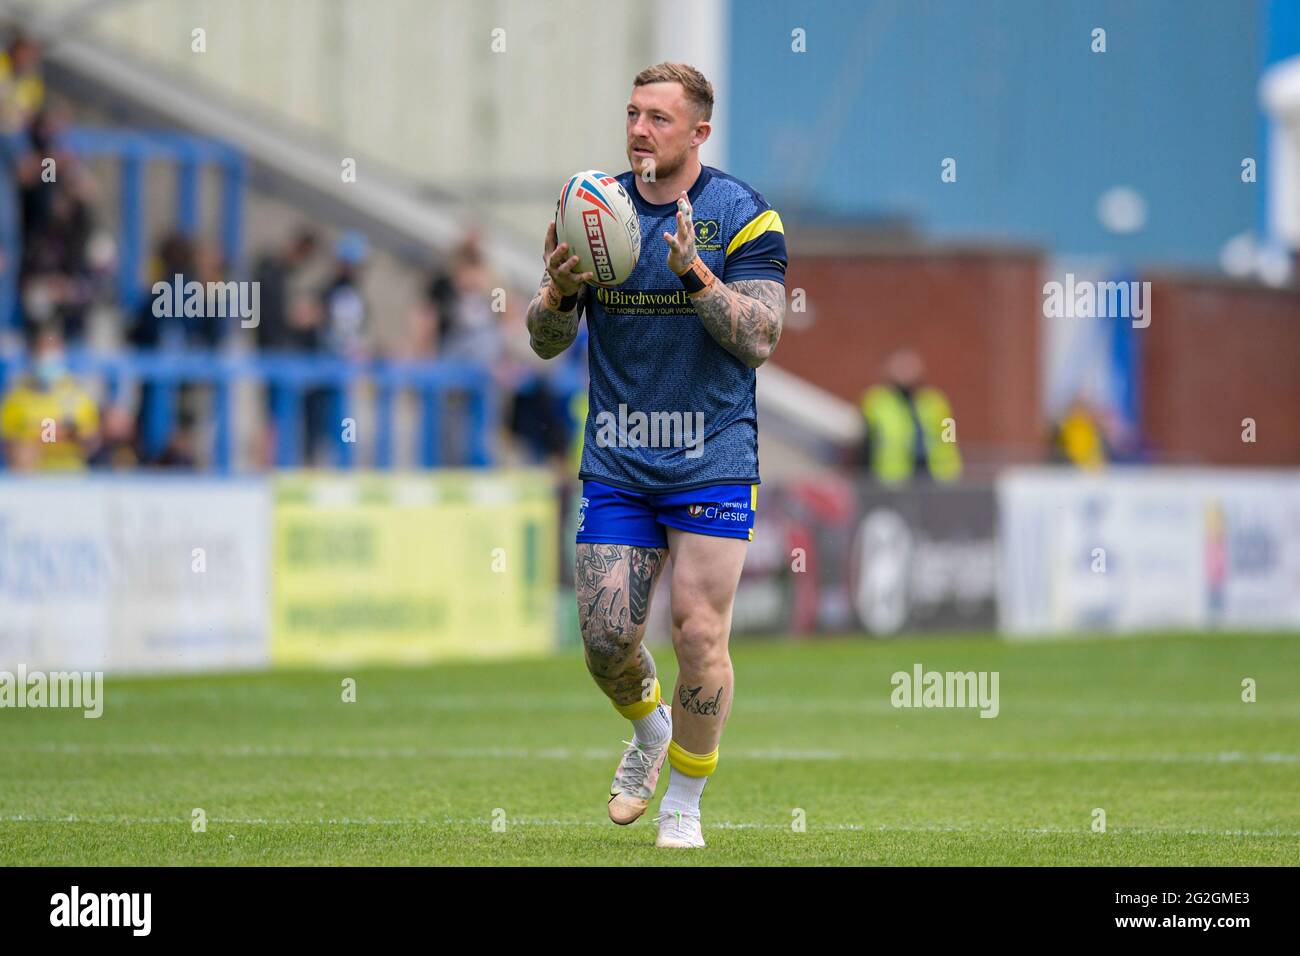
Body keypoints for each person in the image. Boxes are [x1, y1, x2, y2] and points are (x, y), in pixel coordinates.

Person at [525, 62, 788, 848]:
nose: (639, 129)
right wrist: (559, 292)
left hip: (712, 453)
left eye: (659, 119)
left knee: (699, 633)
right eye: (633, 114)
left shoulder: (744, 215)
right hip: (619, 456)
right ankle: (648, 731)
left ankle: (683, 805)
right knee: (606, 641)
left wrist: (695, 274)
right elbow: (543, 343)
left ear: (699, 132)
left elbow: (762, 337)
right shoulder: (590, 210)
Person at [0, 324, 98, 470]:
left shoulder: (78, 396)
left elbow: (91, 441)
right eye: (42, 351)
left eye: (52, 351)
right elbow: (6, 440)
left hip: (71, 479)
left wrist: (66, 436)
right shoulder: (16, 398)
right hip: (29, 481)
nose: (48, 358)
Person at [860, 349, 962, 484]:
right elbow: (865, 442)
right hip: (891, 478)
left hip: (934, 476)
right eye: (900, 367)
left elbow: (949, 438)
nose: (906, 372)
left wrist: (951, 471)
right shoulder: (876, 401)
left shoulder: (936, 401)